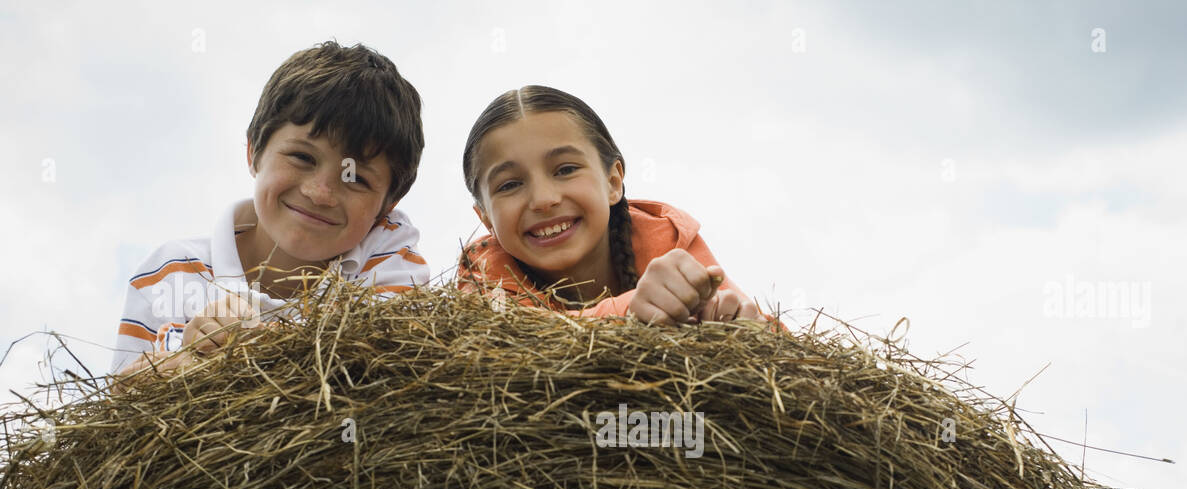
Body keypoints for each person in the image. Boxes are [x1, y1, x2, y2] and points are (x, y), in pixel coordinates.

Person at [110, 41, 427, 392]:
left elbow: (390, 363)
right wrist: (167, 371)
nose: (319, 193)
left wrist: (248, 349)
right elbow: (123, 404)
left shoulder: (386, 258)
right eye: (302, 158)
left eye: (356, 177)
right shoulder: (167, 274)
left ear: (389, 203)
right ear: (253, 152)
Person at [458, 86, 780, 329]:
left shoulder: (667, 239)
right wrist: (626, 310)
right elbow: (511, 339)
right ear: (485, 218)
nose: (544, 199)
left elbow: (782, 349)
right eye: (510, 185)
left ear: (613, 182)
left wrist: (736, 319)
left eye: (566, 169)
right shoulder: (484, 271)